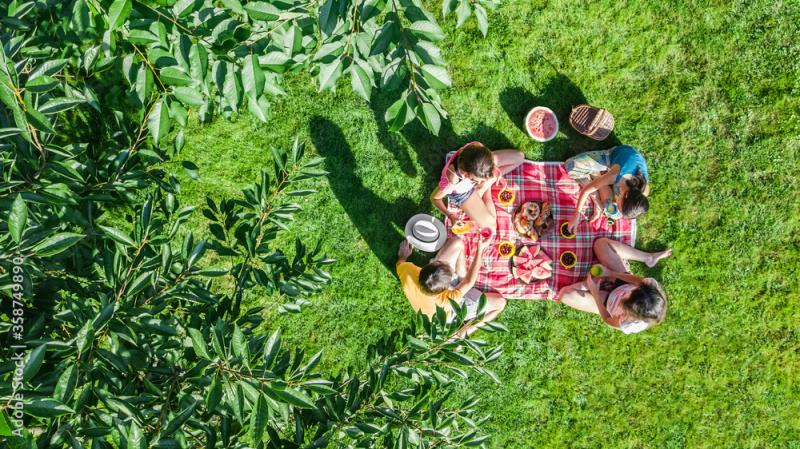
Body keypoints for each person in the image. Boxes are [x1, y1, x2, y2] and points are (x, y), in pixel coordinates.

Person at [396, 234, 506, 338]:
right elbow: (469, 281)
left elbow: (400, 263)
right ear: (447, 287)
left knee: (457, 242)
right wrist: (480, 250)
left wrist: (403, 256)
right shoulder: (448, 300)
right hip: (451, 312)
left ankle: (459, 280)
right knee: (500, 303)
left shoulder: (408, 272)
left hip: (435, 290)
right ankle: (463, 332)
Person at [555, 238, 671, 334]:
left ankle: (592, 285)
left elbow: (607, 319)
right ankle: (648, 258)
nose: (626, 295)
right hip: (622, 282)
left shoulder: (630, 324)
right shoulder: (650, 289)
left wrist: (595, 293)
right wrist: (610, 273)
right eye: (633, 291)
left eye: (626, 299)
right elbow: (636, 280)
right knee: (601, 244)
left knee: (565, 295)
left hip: (606, 303)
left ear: (630, 311)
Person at [431, 142, 524, 230]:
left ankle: (485, 186)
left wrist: (494, 170)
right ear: (465, 174)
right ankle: (486, 190)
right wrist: (450, 216)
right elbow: (434, 199)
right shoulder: (452, 180)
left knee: (519, 157)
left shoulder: (477, 147)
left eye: (482, 180)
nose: (479, 183)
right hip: (463, 193)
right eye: (475, 180)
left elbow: (486, 166)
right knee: (491, 226)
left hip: (479, 168)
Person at [564, 145, 650, 233]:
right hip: (613, 156)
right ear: (626, 195)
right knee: (570, 165)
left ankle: (598, 183)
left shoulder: (643, 192)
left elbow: (621, 207)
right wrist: (576, 216)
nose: (616, 203)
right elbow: (586, 191)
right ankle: (596, 176)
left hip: (620, 184)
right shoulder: (615, 176)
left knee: (615, 214)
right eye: (619, 204)